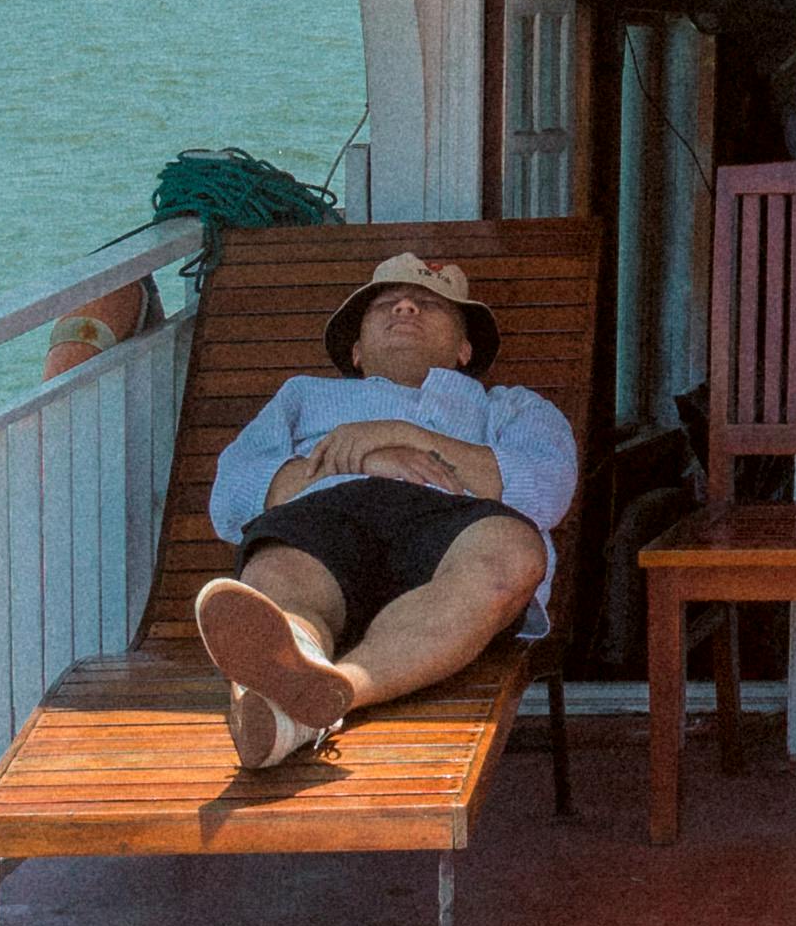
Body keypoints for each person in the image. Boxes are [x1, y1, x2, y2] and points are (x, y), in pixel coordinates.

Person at [193, 253, 578, 764]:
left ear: (464, 350)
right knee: (278, 569)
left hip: (453, 529)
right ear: (355, 352)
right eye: (384, 305)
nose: (404, 307)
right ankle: (302, 671)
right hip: (328, 515)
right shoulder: (303, 396)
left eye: (427, 303)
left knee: (513, 556)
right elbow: (232, 494)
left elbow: (548, 489)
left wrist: (403, 435)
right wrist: (370, 460)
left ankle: (329, 692)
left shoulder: (510, 408)